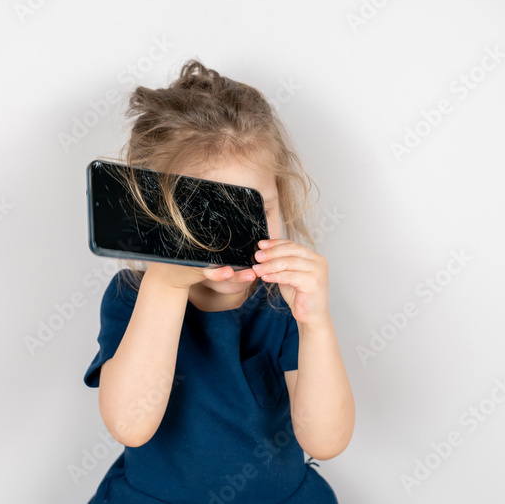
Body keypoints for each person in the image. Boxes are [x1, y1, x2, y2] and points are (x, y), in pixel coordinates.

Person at [83, 59, 354, 503]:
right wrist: (166, 286)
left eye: (255, 212)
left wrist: (316, 323)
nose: (231, 242)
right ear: (159, 218)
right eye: (205, 220)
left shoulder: (281, 303)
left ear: (282, 203)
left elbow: (326, 442)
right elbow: (130, 426)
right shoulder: (131, 297)